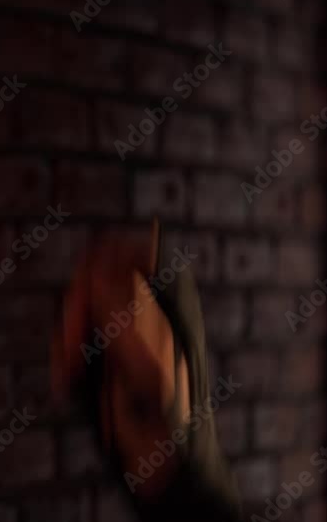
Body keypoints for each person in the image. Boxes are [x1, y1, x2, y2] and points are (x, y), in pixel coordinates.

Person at [52, 221, 242, 522]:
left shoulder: (157, 350)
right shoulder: (100, 369)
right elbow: (66, 376)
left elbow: (150, 386)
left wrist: (100, 283)